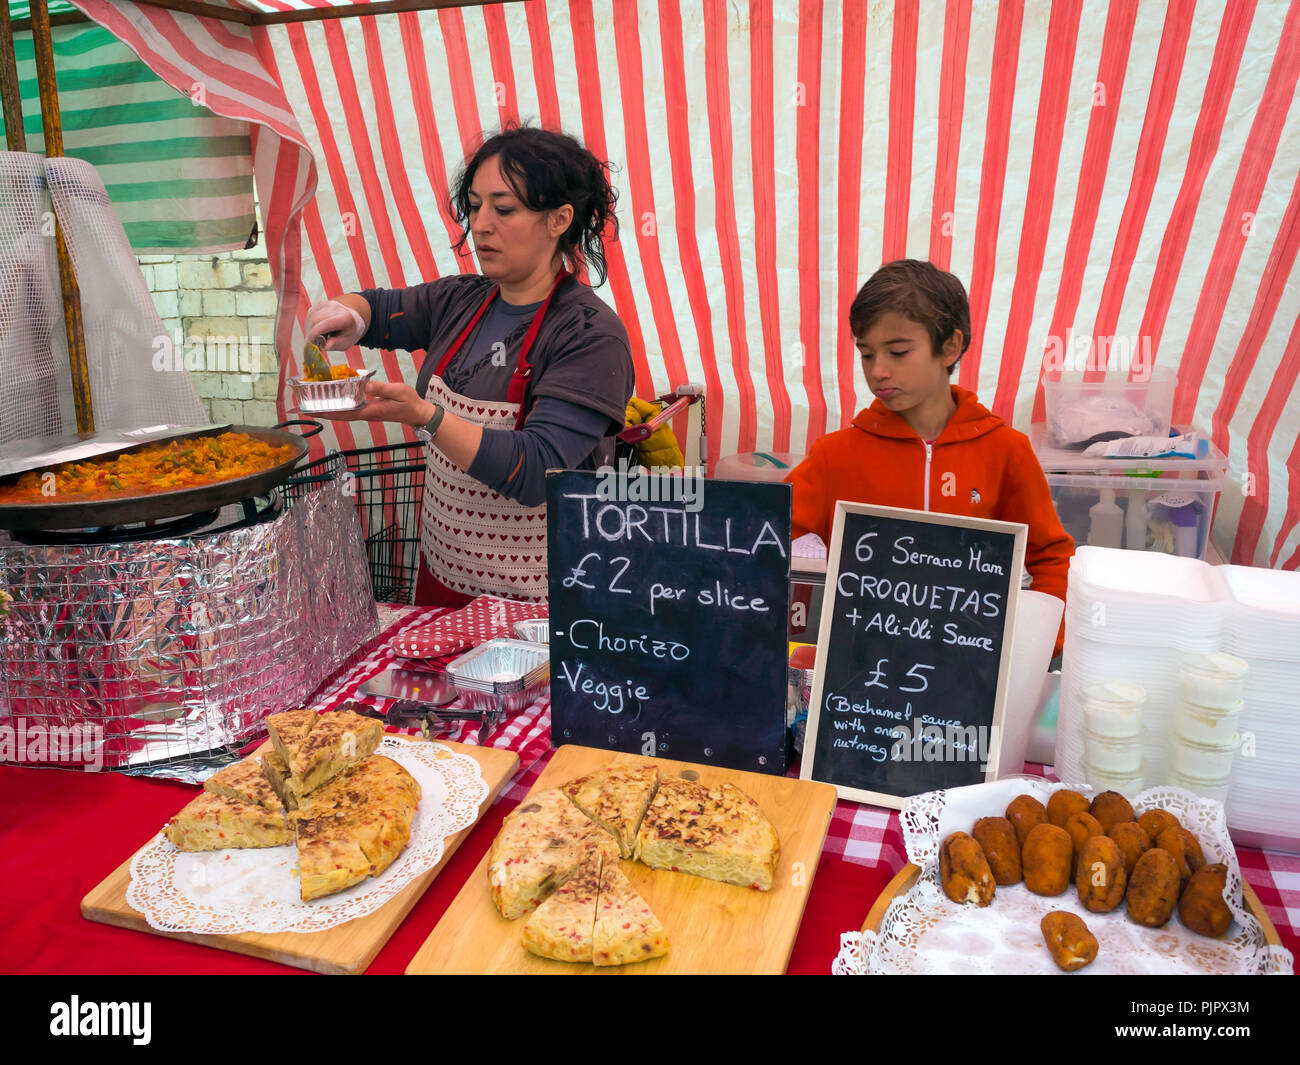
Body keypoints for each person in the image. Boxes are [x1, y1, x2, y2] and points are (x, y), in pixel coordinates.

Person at [304, 126, 635, 606]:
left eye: (503, 209)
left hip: (543, 606)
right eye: (475, 207)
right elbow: (379, 308)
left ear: (560, 218)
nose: (480, 225)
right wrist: (347, 314)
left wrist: (427, 417)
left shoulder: (588, 335)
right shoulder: (459, 300)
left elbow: (536, 471)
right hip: (442, 579)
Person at [785, 259, 1074, 652]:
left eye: (898, 351)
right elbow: (768, 536)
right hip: (861, 679)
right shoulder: (833, 456)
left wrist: (1042, 645)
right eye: (866, 354)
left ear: (950, 346)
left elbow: (1053, 558)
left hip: (971, 669)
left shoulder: (1006, 451)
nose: (878, 371)